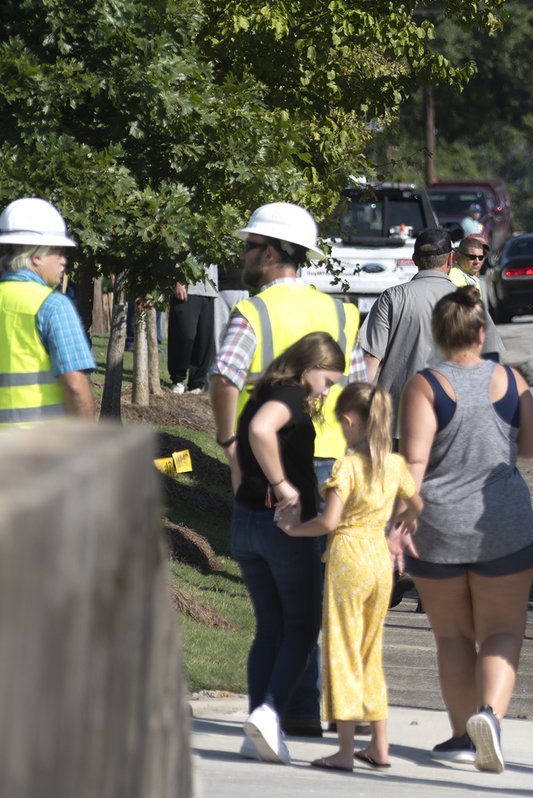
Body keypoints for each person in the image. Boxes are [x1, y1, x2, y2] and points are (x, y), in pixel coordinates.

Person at [210, 201, 365, 738]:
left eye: (251, 246)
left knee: (284, 609)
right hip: (334, 464)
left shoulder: (253, 313)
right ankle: (311, 709)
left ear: (271, 253)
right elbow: (361, 393)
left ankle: (287, 710)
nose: (244, 253)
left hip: (282, 463)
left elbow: (225, 379)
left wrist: (231, 444)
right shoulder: (343, 314)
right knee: (322, 598)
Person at [397, 285, 533, 773]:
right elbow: (529, 447)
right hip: (503, 523)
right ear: (482, 334)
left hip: (438, 528)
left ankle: (461, 734)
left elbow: (414, 461)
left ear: (439, 334)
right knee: (502, 631)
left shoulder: (425, 386)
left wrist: (400, 519)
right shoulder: (511, 380)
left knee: (453, 637)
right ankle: (490, 719)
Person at [275, 382, 421, 772]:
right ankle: (380, 746)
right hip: (378, 559)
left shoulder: (348, 466)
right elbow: (416, 502)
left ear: (349, 421)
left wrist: (293, 529)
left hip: (348, 560)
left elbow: (328, 521)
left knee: (342, 650)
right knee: (371, 651)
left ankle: (343, 750)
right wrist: (400, 527)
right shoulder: (395, 465)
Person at [233, 332, 347, 764]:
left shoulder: (261, 391)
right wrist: (283, 486)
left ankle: (259, 725)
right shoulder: (290, 396)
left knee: (270, 628)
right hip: (282, 527)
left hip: (246, 522)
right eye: (326, 380)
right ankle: (268, 713)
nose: (326, 391)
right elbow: (263, 431)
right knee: (300, 629)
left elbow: (239, 444)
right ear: (308, 368)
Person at [362, 227, 502, 422]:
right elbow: (491, 359)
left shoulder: (392, 298)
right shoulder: (468, 300)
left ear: (414, 259)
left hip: (397, 420)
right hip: (452, 421)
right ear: (451, 259)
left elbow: (370, 359)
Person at [0, 197, 96, 427]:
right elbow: (75, 387)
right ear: (36, 255)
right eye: (58, 251)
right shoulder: (53, 306)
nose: (64, 260)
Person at [168, 262, 222, 393]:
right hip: (188, 288)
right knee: (184, 335)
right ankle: (178, 380)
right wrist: (178, 279)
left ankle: (196, 384)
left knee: (204, 340)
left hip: (209, 290)